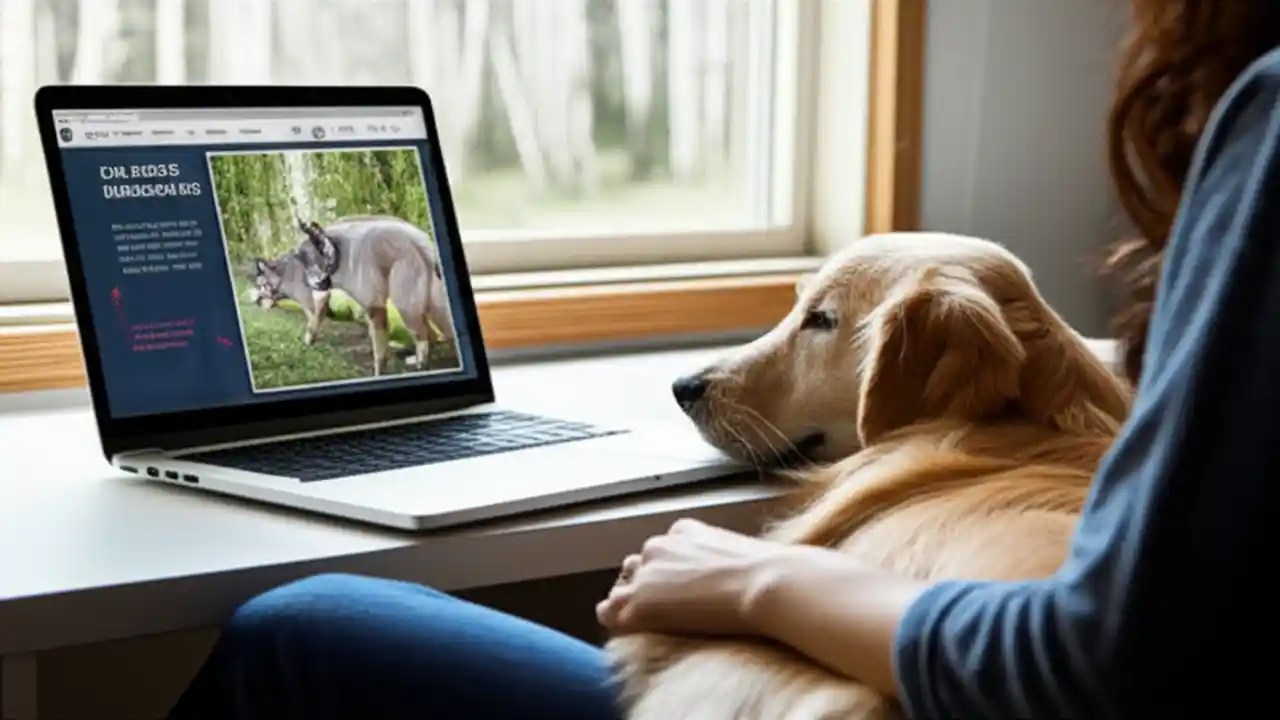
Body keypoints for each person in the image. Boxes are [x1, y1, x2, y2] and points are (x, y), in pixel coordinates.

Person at [169, 4, 1280, 718]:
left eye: (816, 324)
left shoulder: (1267, 115)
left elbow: (1099, 663)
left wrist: (761, 577)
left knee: (299, 626)